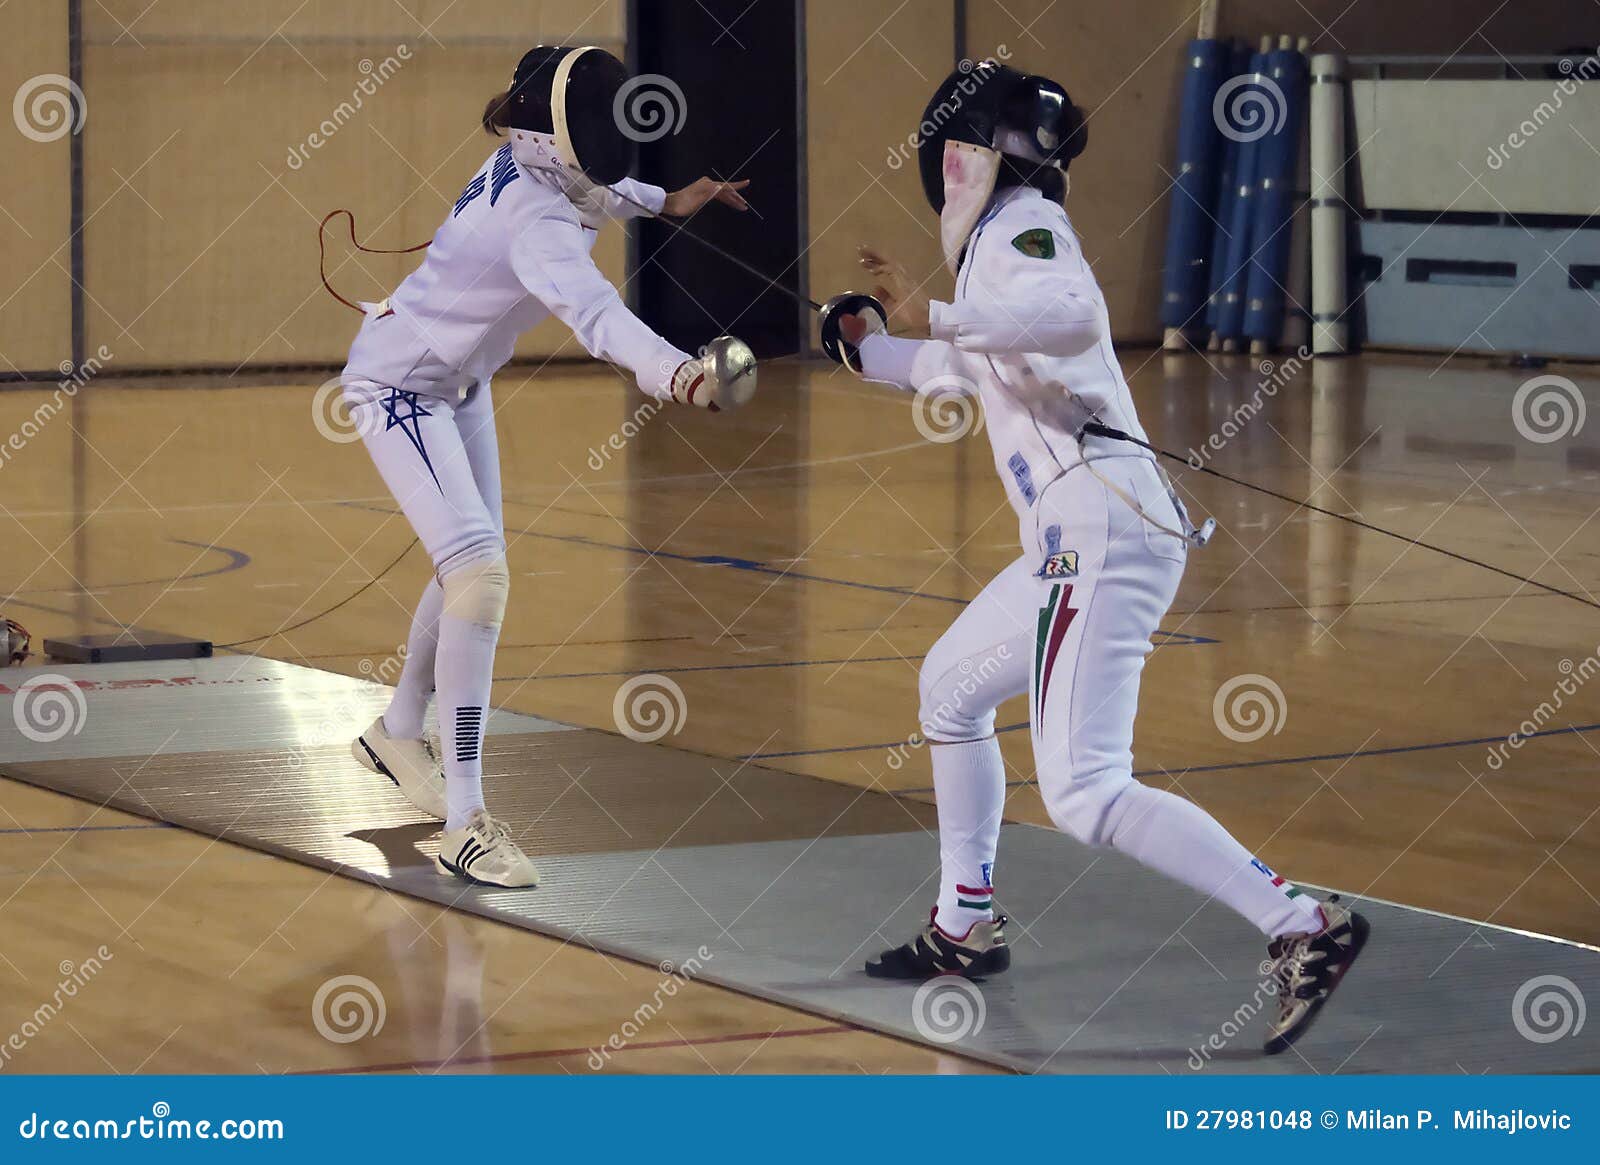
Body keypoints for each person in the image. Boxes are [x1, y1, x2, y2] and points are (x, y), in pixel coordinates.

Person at [826, 60, 1367, 1054]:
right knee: (947, 688)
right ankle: (964, 925)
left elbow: (1069, 313)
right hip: (1076, 534)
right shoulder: (996, 250)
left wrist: (931, 314)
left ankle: (1304, 926)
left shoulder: (1021, 231)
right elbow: (978, 365)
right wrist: (871, 351)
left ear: (965, 154)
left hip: (1102, 532)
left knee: (1081, 789)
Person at [342, 45, 755, 889]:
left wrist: (676, 199)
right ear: (556, 135)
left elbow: (599, 186)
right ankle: (463, 820)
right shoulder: (536, 221)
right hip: (397, 388)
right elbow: (598, 315)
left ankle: (396, 730)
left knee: (470, 566)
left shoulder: (529, 156)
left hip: (455, 385)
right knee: (480, 577)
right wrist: (680, 373)